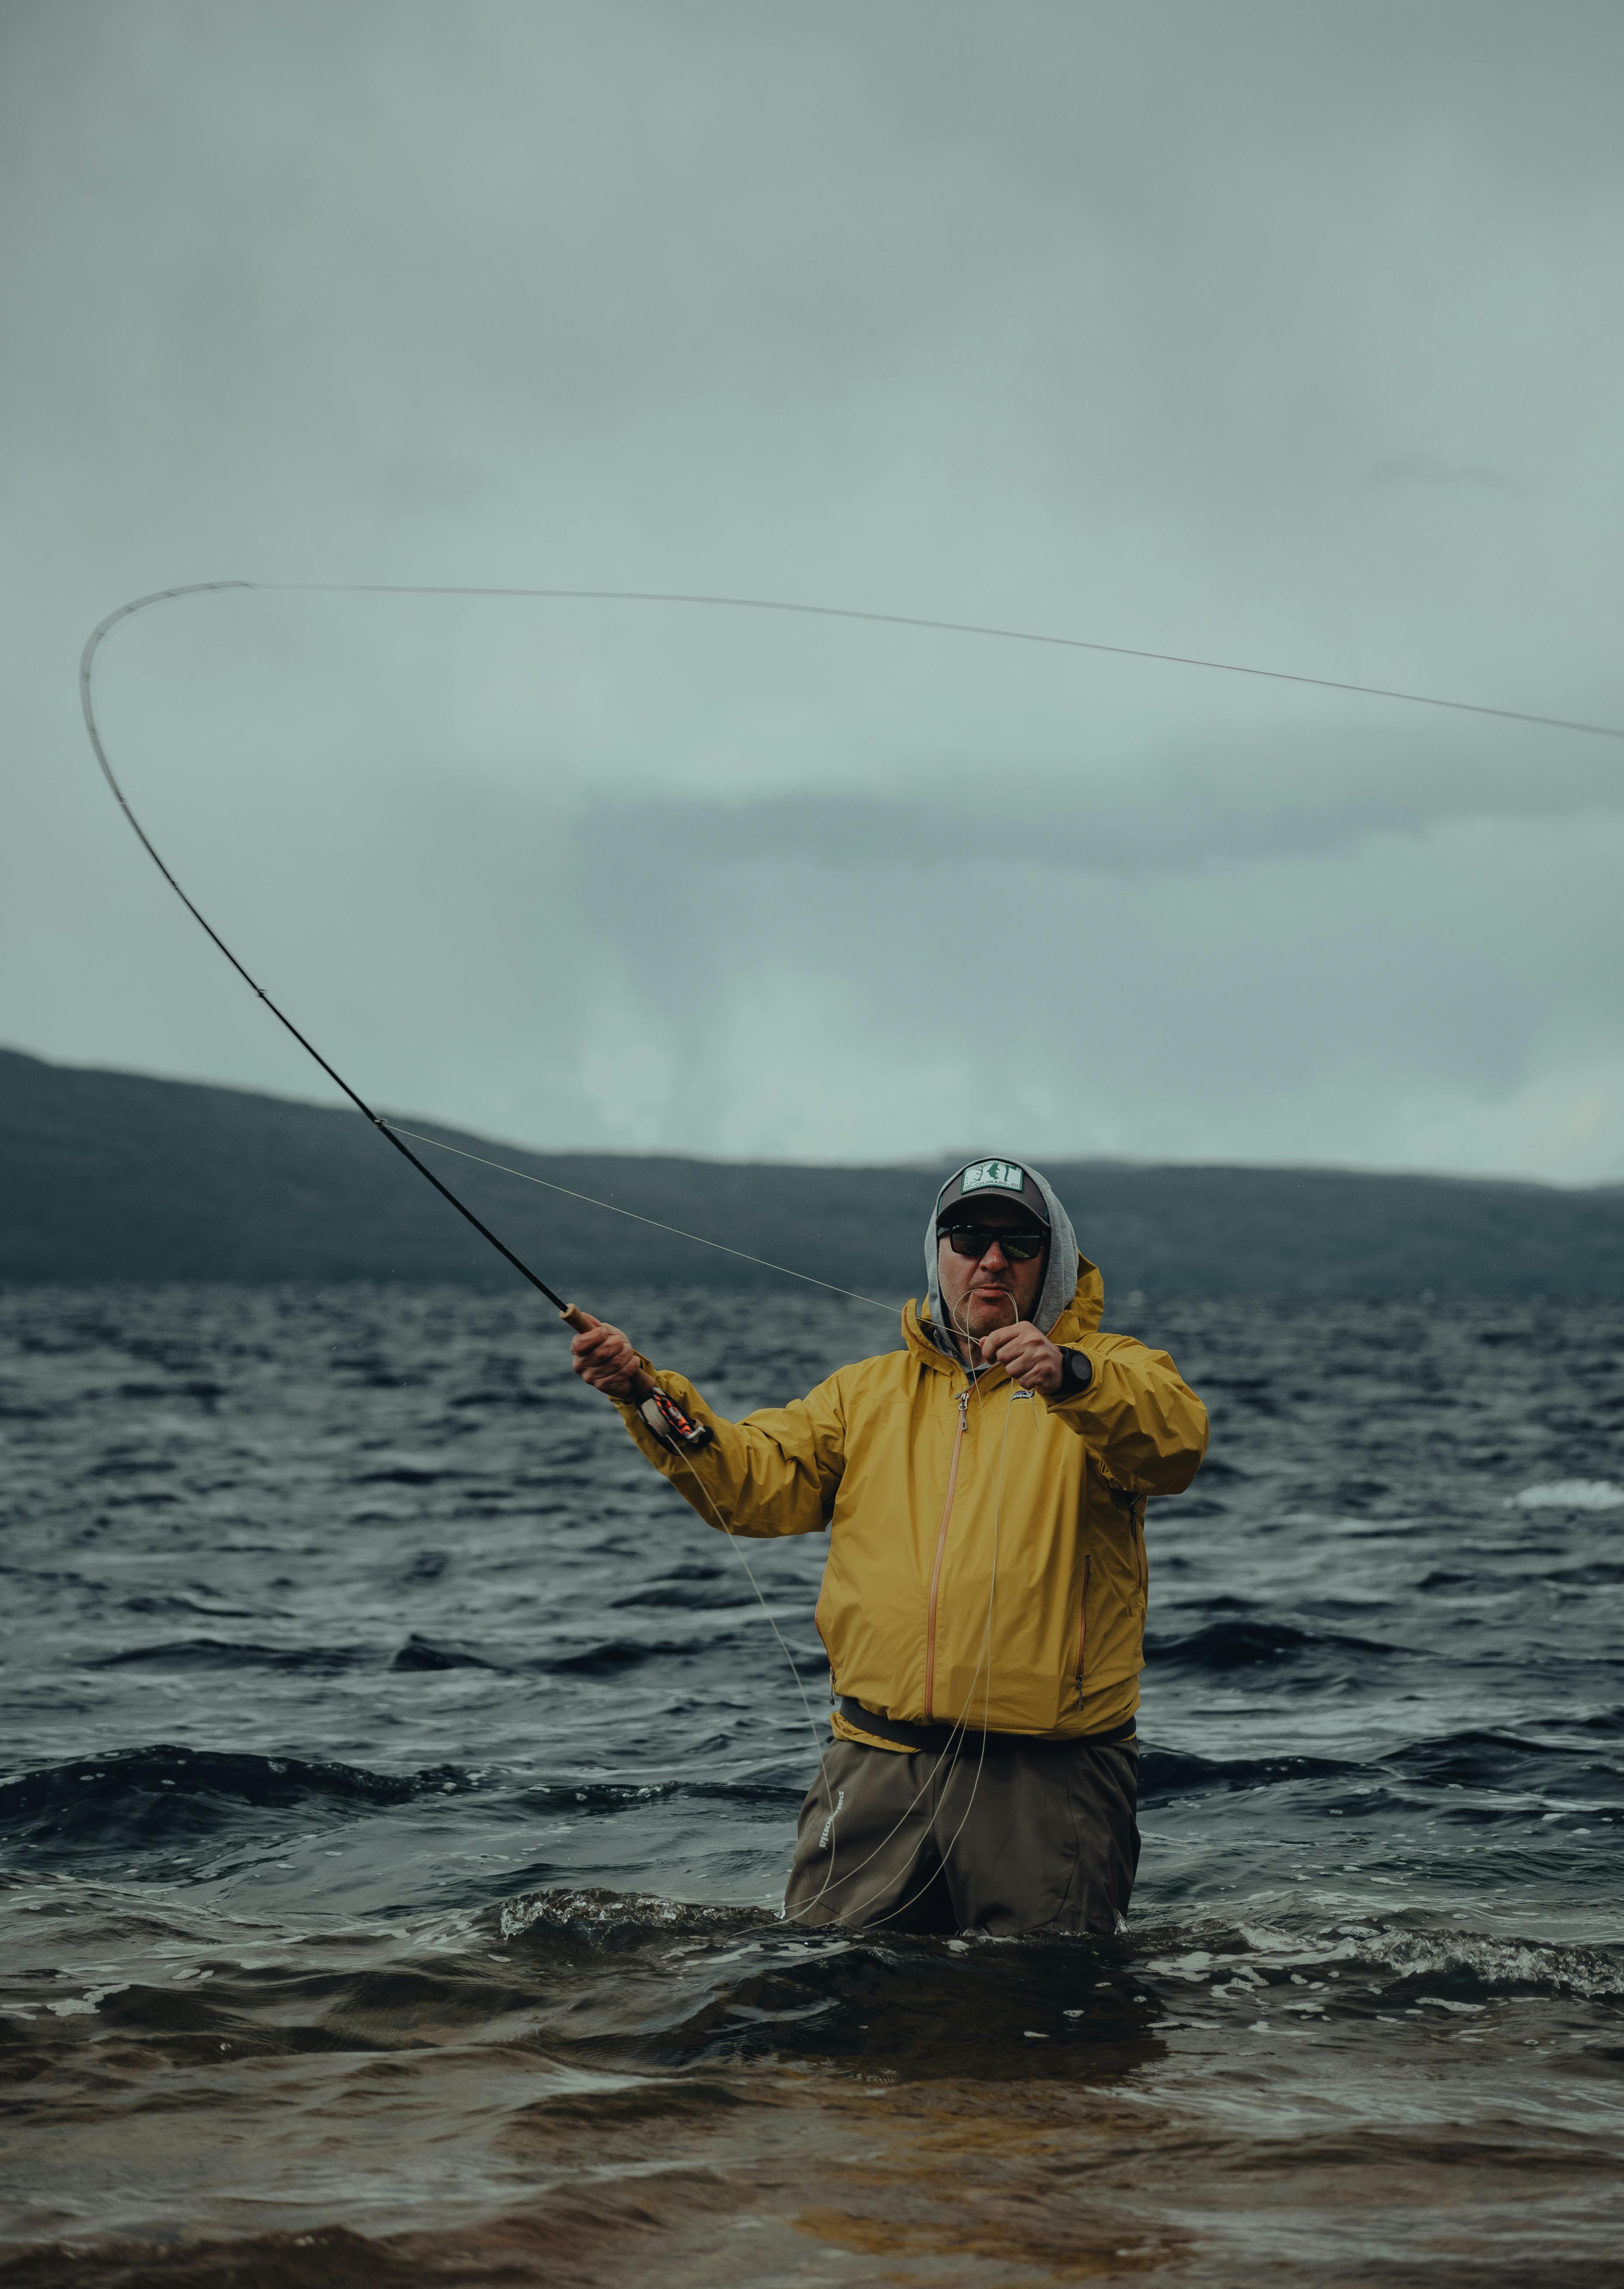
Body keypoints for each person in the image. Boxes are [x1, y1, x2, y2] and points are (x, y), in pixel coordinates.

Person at [570, 1157, 1208, 1936]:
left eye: (1019, 1243)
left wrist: (1072, 1377)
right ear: (939, 1254)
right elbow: (753, 1488)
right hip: (874, 1764)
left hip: (1049, 1776)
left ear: (1057, 1262)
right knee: (831, 1993)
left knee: (1045, 2005)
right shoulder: (864, 1393)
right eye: (968, 1238)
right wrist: (643, 1392)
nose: (992, 1260)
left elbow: (1175, 1446)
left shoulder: (1115, 1372)